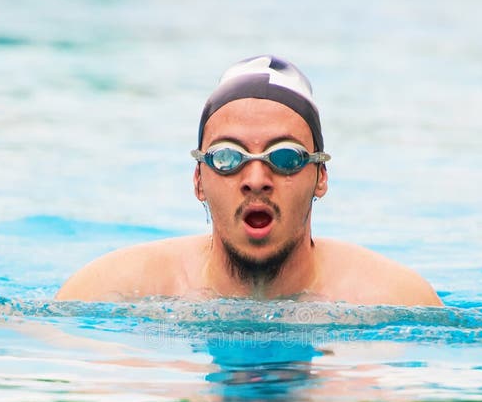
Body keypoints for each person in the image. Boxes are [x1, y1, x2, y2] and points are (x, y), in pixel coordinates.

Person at [56, 55, 442, 306]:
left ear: (320, 177)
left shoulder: (395, 298)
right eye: (228, 157)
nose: (256, 179)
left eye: (285, 157)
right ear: (199, 180)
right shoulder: (112, 290)